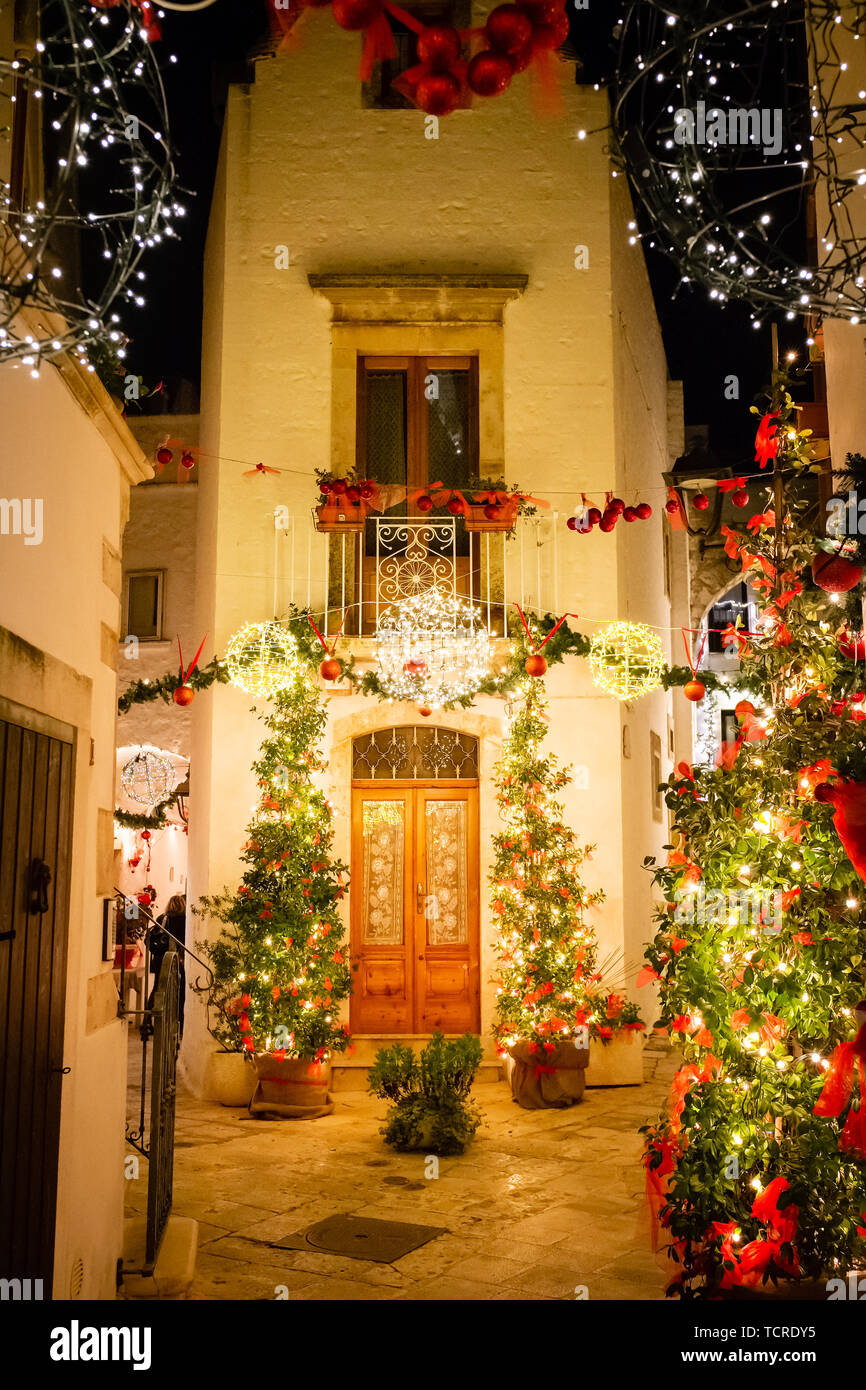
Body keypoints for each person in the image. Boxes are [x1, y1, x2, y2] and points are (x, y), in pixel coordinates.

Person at [147, 893, 187, 1035]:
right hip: (177, 961)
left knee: (157, 989)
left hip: (160, 960)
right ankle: (180, 1024)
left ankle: (147, 1022)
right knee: (180, 991)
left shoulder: (161, 918)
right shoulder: (184, 920)